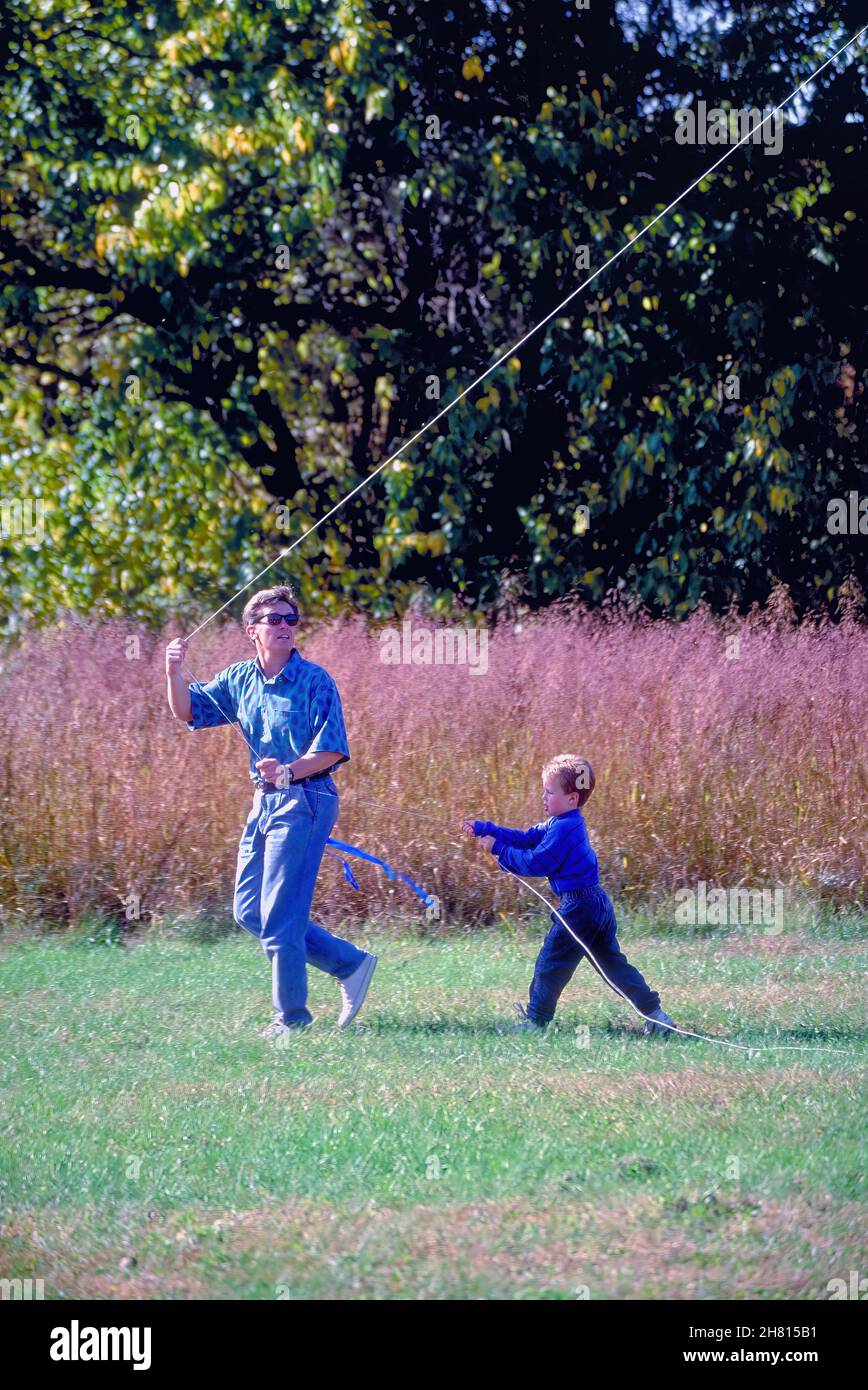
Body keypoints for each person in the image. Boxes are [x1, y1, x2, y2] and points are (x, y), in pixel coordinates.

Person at [165, 584, 377, 1037]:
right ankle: (350, 964)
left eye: (290, 620)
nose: (284, 626)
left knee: (280, 912)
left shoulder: (315, 680)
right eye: (274, 620)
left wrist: (286, 772)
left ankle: (291, 1020)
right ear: (251, 631)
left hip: (308, 800)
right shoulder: (240, 678)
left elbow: (333, 750)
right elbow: (187, 711)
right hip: (264, 803)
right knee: (249, 911)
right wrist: (173, 671)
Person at [462, 754, 677, 1037]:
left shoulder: (564, 829)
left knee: (551, 962)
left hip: (580, 908)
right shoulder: (561, 823)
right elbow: (527, 838)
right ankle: (657, 1017)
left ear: (573, 798)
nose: (544, 796)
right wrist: (486, 829)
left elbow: (538, 862)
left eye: (550, 792)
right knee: (611, 965)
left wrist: (500, 850)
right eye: (544, 790)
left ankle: (535, 1023)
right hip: (595, 905)